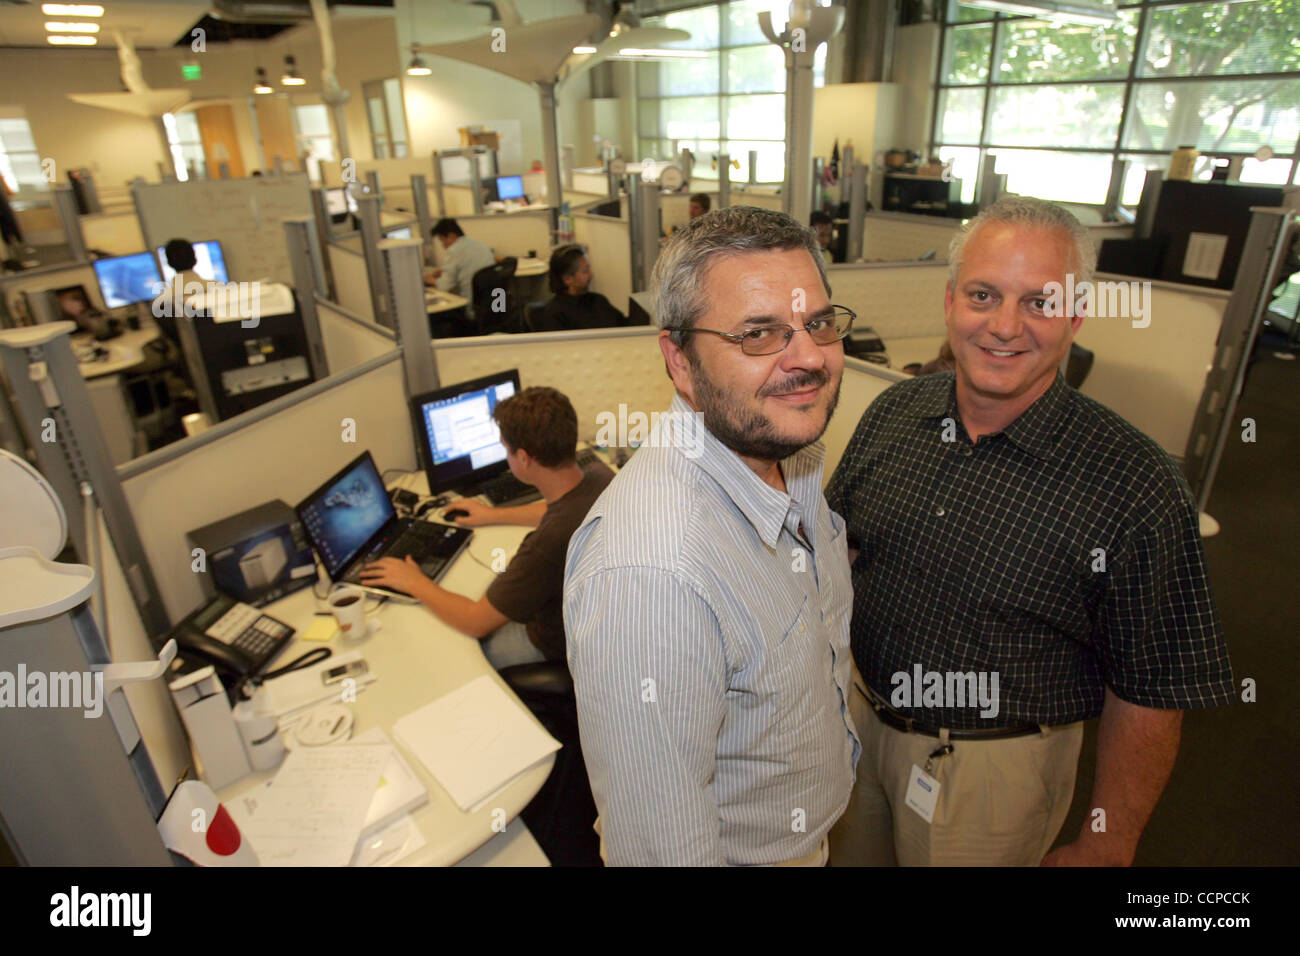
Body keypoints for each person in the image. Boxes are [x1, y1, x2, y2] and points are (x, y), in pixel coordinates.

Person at [825, 196, 1234, 867]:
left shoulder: (1135, 484)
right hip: (860, 723)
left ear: (1075, 315)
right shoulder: (894, 413)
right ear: (951, 301)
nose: (1004, 326)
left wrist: (1108, 838)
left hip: (990, 772)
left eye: (1039, 302)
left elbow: (1152, 688)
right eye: (984, 294)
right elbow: (841, 552)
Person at [563, 205, 861, 866]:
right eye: (760, 334)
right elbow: (659, 848)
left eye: (817, 323)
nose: (809, 357)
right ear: (680, 361)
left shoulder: (794, 451)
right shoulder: (652, 575)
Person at [361, 387, 613, 670]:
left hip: (556, 642)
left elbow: (475, 621)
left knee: (460, 650)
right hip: (601, 623)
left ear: (524, 458)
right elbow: (561, 509)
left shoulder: (545, 545)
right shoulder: (600, 476)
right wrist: (494, 514)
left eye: (505, 449)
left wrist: (413, 582)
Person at [530, 244, 625, 331]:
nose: (591, 275)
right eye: (585, 271)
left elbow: (626, 326)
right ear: (568, 279)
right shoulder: (554, 315)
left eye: (589, 269)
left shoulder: (598, 300)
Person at [427, 218, 495, 299]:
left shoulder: (453, 251)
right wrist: (444, 272)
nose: (443, 245)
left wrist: (431, 280)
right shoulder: (481, 246)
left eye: (442, 240)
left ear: (451, 236)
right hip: (490, 300)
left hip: (470, 303)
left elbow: (445, 286)